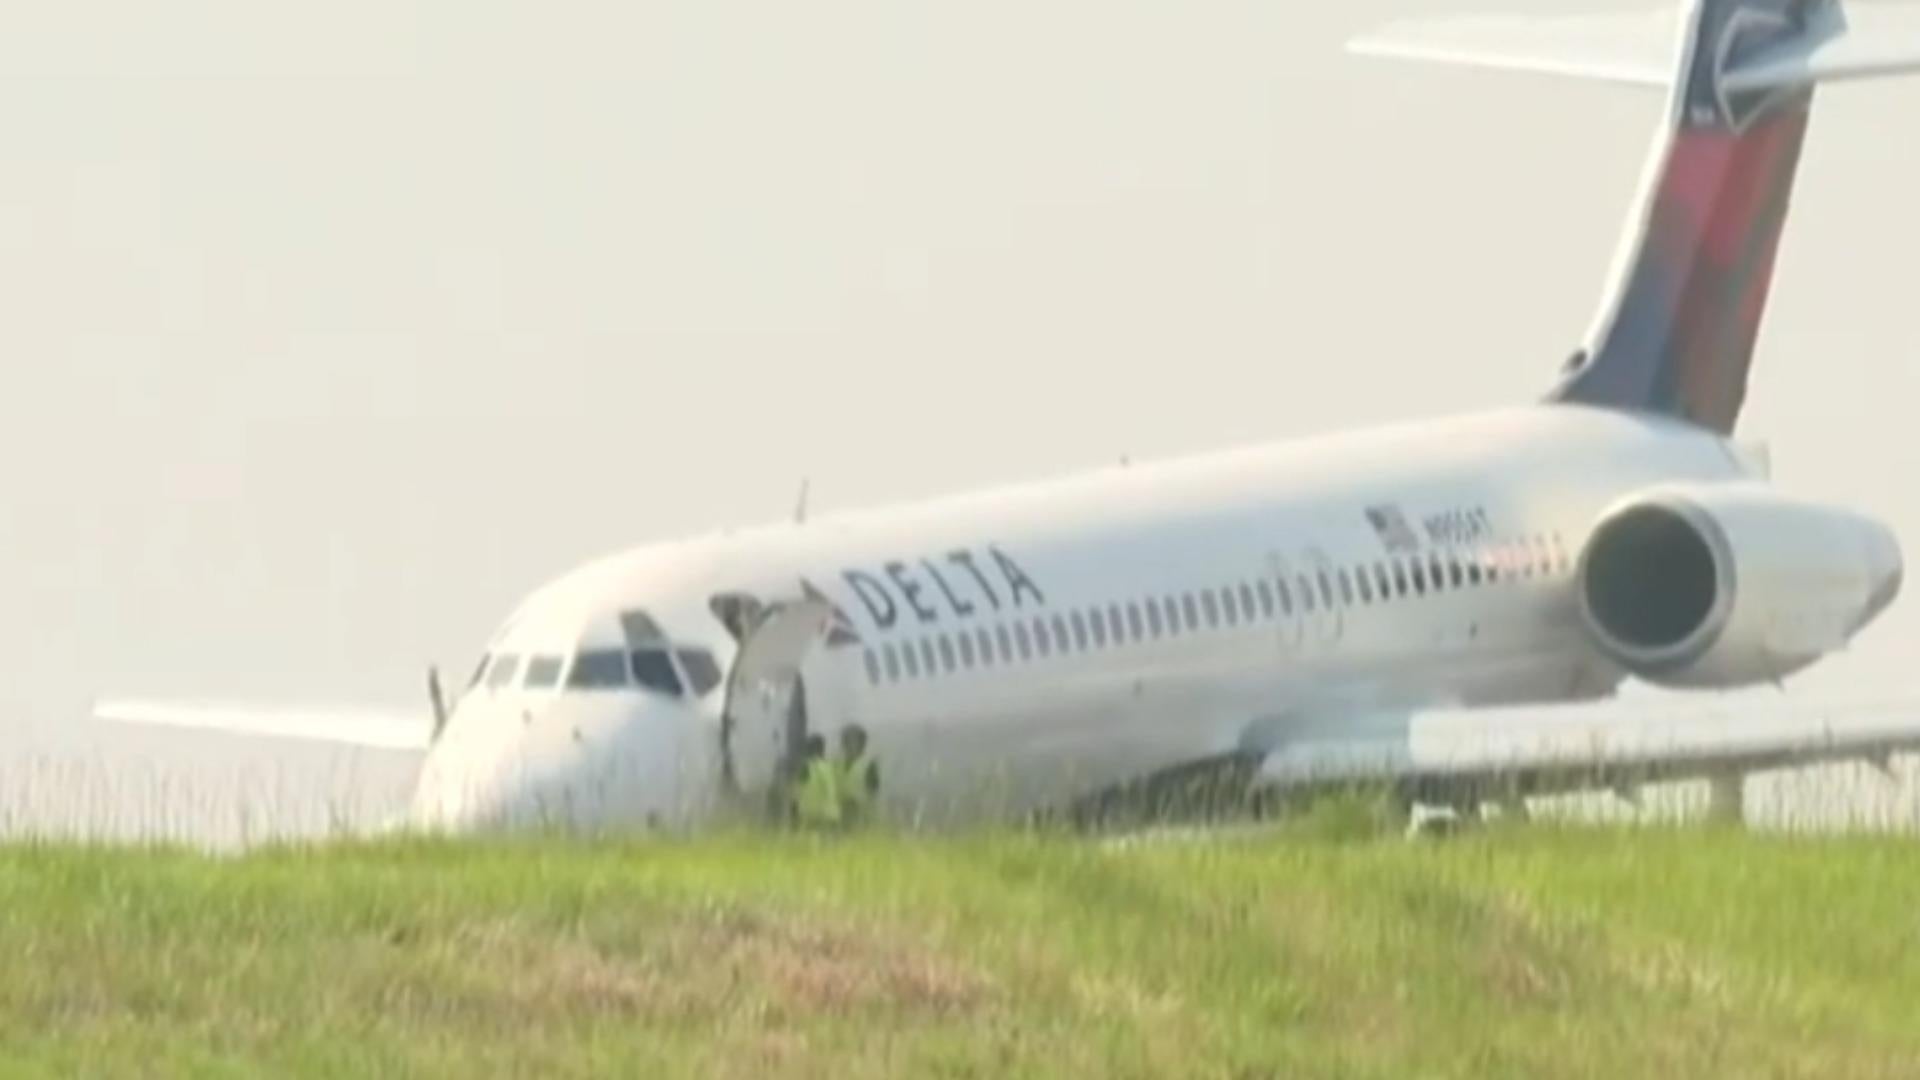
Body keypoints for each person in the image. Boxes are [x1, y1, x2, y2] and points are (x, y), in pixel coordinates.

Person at [791, 734, 842, 830]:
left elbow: (797, 792)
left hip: (812, 816)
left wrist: (794, 814)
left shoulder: (807, 767)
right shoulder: (831, 767)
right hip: (831, 816)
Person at [838, 725, 880, 826]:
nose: (847, 745)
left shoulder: (869, 764)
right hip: (840, 815)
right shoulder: (837, 764)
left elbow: (873, 791)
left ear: (862, 743)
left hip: (861, 816)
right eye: (846, 741)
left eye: (852, 741)